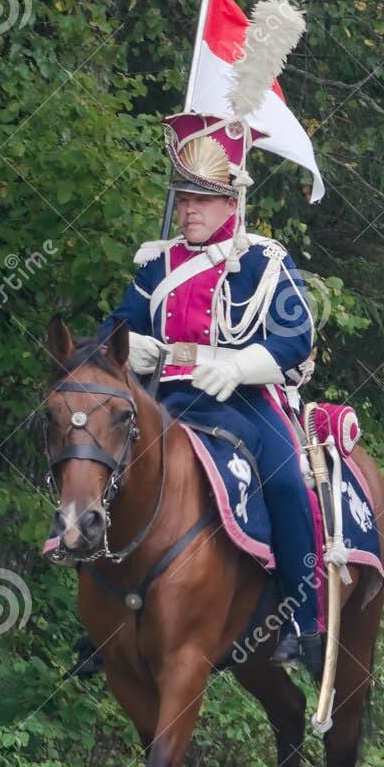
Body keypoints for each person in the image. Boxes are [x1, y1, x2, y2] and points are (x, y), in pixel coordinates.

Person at [99, 109, 322, 673]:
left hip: (245, 401)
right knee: (104, 467)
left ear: (232, 201)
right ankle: (102, 617)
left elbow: (296, 336)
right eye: (183, 196)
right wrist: (130, 349)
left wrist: (243, 366)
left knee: (289, 483)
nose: (188, 209)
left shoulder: (265, 261)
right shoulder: (158, 262)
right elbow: (113, 329)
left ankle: (303, 615)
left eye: (201, 197)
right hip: (167, 400)